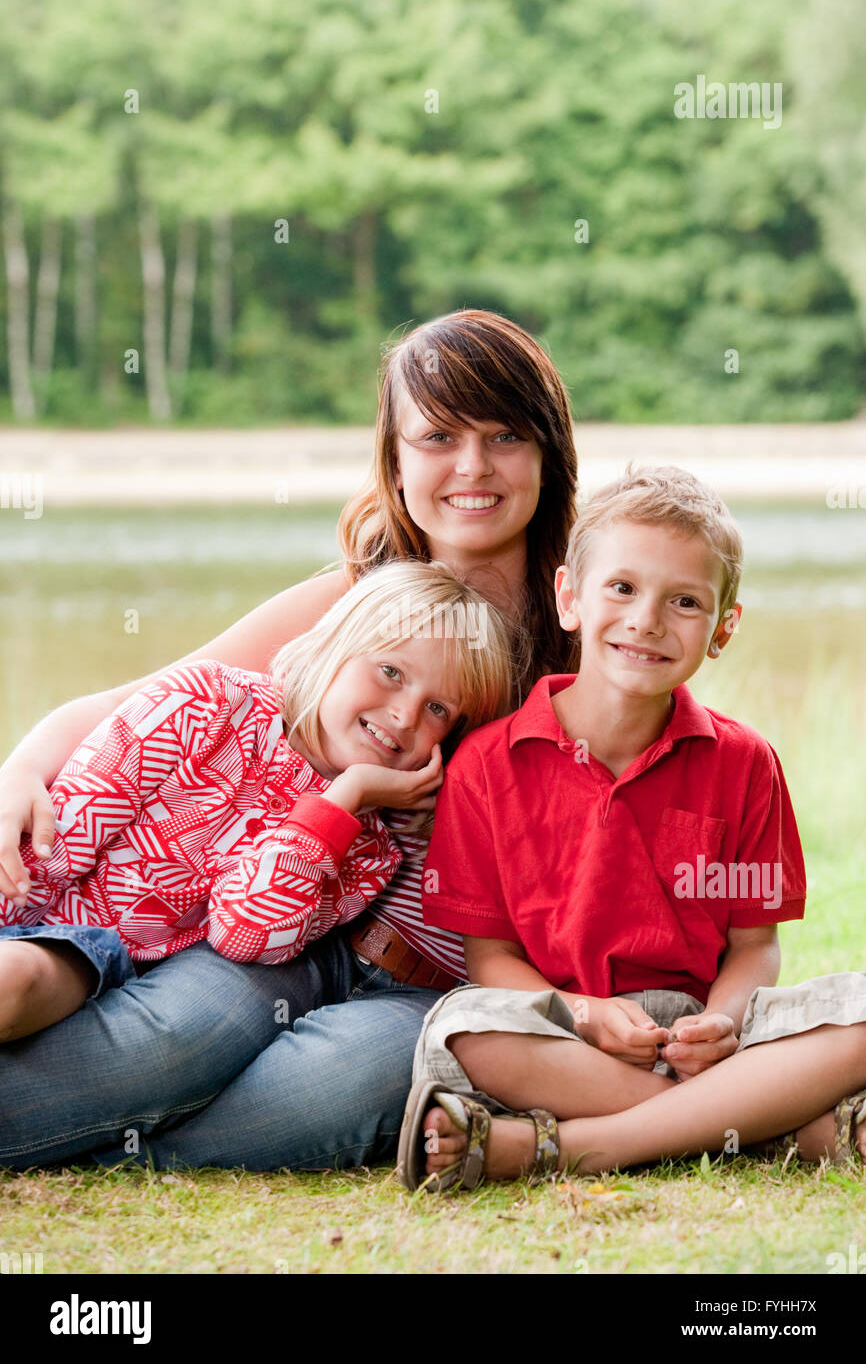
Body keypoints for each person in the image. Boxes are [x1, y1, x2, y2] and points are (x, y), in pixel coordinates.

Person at [0, 308, 579, 1170]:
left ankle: (111, 1143)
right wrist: (21, 767)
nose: (472, 467)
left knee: (354, 1086)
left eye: (504, 435)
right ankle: (97, 1115)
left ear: (548, 452)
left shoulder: (585, 617)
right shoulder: (356, 600)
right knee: (180, 1034)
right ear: (394, 457)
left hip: (432, 980)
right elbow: (149, 694)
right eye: (437, 436)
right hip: (285, 929)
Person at [398, 467, 866, 1190]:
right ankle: (769, 1126)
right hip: (562, 1031)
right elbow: (489, 957)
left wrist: (723, 1021)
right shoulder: (487, 764)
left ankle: (570, 1148)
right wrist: (584, 1015)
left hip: (705, 1035)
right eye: (622, 588)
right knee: (463, 1026)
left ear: (723, 629)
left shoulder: (744, 762)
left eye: (684, 601)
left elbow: (755, 947)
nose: (647, 620)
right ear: (569, 599)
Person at [0, 561, 513, 1042]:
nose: (404, 716)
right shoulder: (208, 705)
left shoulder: (363, 853)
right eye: (391, 672)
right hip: (19, 889)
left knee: (13, 980)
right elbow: (64, 830)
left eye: (437, 708)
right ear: (335, 647)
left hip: (87, 963)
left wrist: (342, 799)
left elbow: (243, 934)